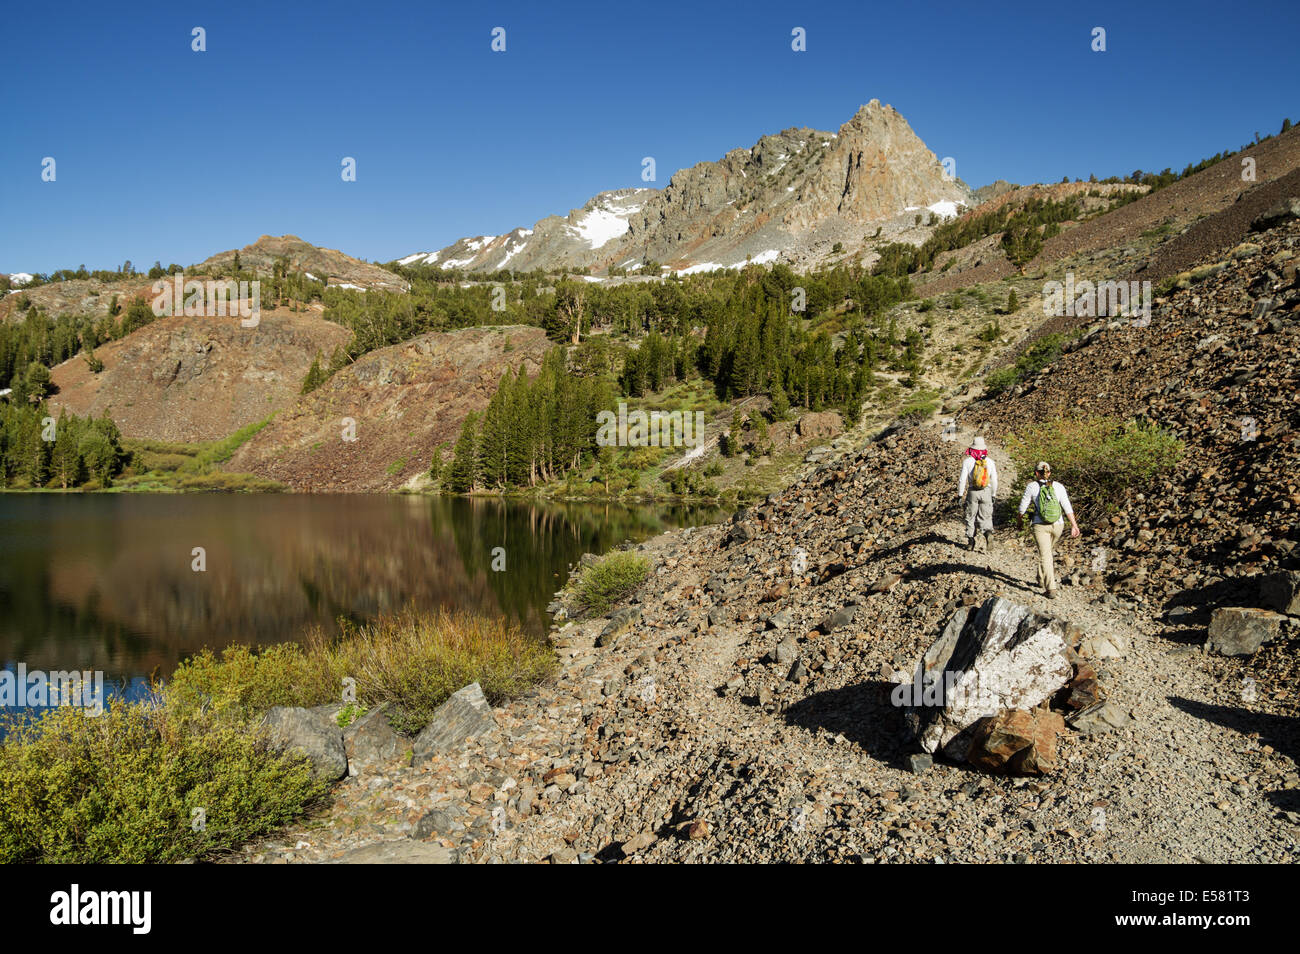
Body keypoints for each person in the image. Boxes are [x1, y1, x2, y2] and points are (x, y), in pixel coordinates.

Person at [1016, 461, 1080, 598]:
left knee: (1045, 555)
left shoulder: (1032, 486)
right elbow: (1067, 507)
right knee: (1047, 552)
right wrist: (1074, 525)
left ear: (1036, 473)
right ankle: (1040, 578)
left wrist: (1020, 521)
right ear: (1049, 473)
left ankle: (1051, 588)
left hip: (1040, 525)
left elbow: (1022, 508)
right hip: (1058, 525)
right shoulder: (1059, 486)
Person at [957, 436, 998, 552]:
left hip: (972, 492)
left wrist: (960, 495)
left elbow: (962, 479)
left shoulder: (967, 462)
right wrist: (993, 494)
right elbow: (994, 479)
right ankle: (988, 533)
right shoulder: (990, 462)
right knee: (985, 516)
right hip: (986, 491)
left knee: (970, 516)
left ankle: (970, 541)